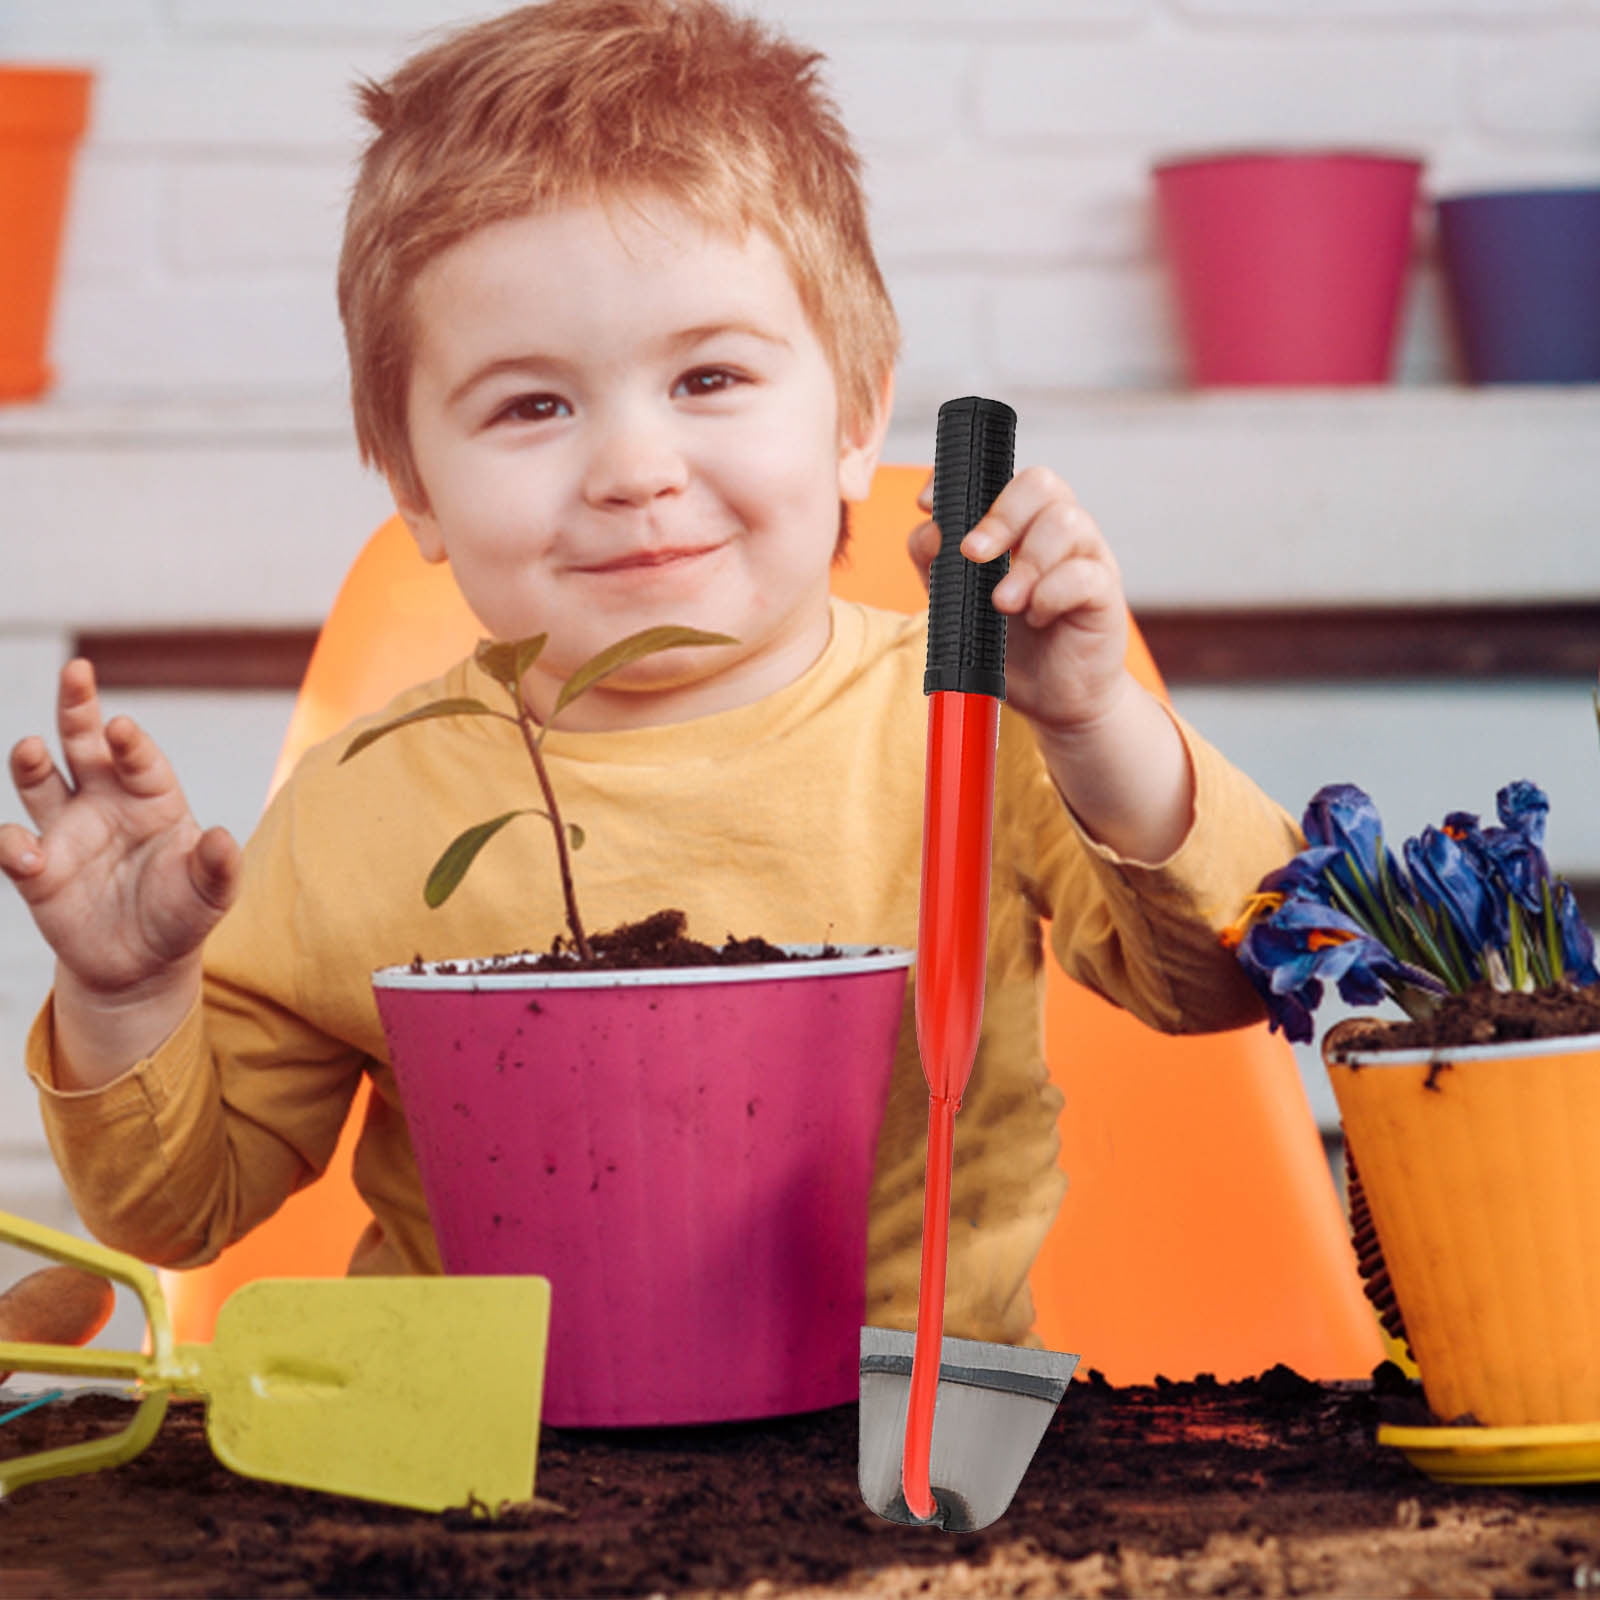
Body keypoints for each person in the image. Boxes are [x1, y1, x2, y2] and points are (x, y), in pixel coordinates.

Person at [0, 0, 1298, 1350]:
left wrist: (1092, 720)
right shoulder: (353, 812)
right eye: (532, 405)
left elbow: (1233, 979)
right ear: (414, 487)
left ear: (856, 416)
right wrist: (127, 997)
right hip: (485, 1458)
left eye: (710, 377)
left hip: (902, 1444)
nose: (634, 469)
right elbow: (176, 1211)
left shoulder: (970, 724)